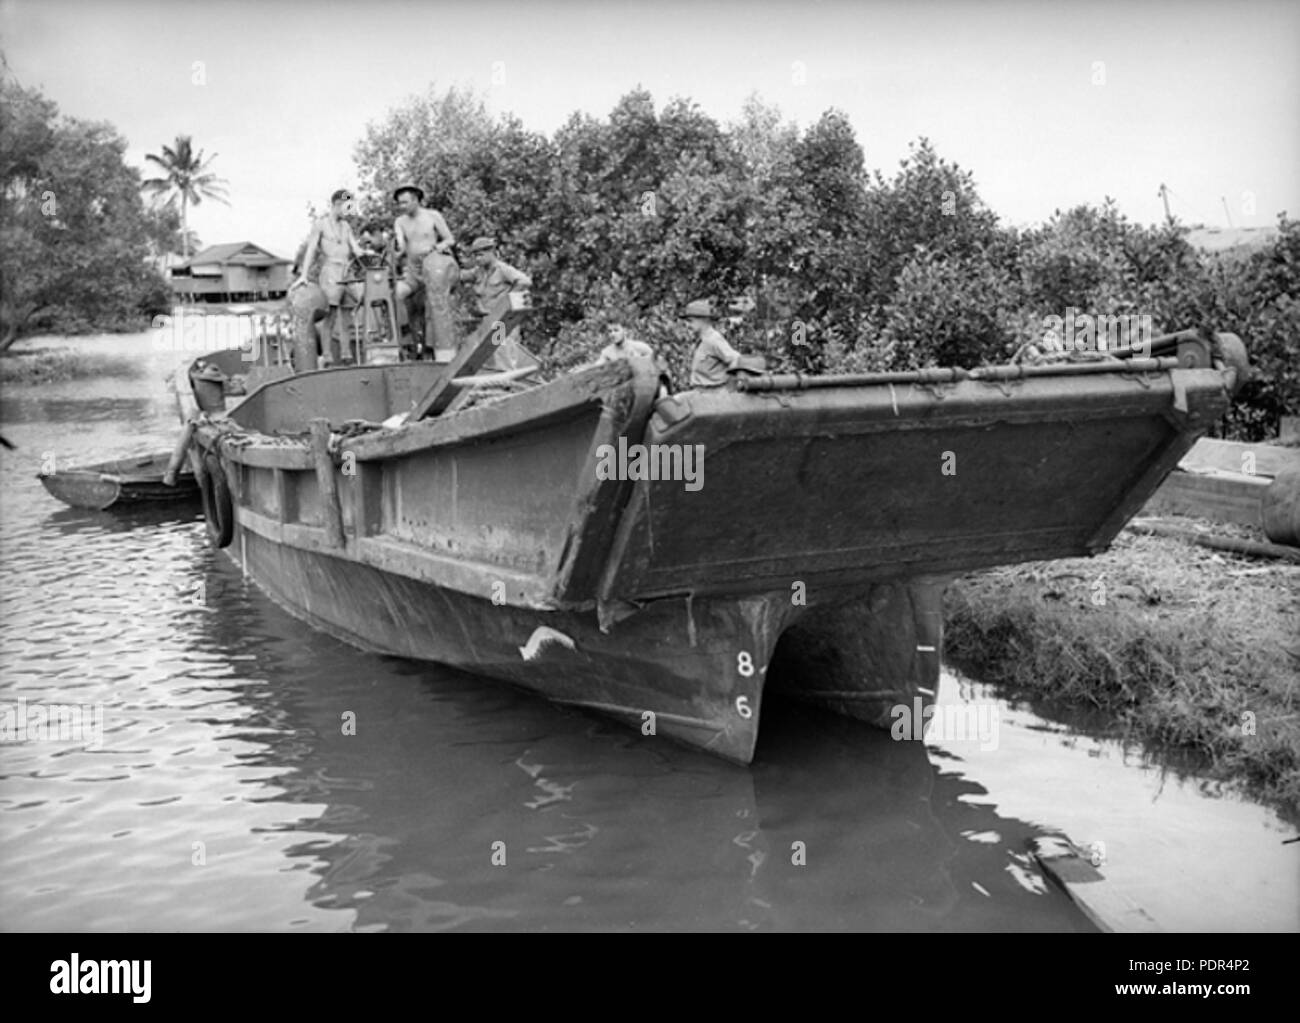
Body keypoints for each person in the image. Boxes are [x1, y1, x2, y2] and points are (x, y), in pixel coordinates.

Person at [295, 189, 365, 365]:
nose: (349, 210)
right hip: (331, 270)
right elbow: (311, 249)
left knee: (350, 310)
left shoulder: (346, 226)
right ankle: (327, 354)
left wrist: (370, 257)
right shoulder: (321, 224)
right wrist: (304, 275)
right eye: (347, 206)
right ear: (337, 204)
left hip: (347, 269)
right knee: (331, 314)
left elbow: (356, 249)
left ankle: (346, 352)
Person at [392, 185, 457, 356]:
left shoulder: (433, 216)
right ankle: (405, 338)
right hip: (413, 271)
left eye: (405, 202)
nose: (402, 207)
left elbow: (450, 239)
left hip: (432, 268)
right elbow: (401, 246)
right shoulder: (400, 221)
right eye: (399, 204)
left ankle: (431, 347)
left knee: (432, 305)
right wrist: (397, 249)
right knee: (396, 294)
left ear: (415, 200)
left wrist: (439, 246)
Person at [463, 237, 532, 315]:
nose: (477, 259)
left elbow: (525, 281)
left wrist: (508, 299)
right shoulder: (478, 271)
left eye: (480, 255)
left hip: (503, 317)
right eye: (475, 256)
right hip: (487, 316)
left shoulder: (502, 269)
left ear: (491, 252)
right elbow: (460, 275)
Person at [684, 298, 742, 387]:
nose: (687, 325)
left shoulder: (713, 339)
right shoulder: (701, 341)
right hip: (699, 392)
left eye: (690, 321)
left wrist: (730, 386)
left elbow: (736, 359)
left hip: (712, 393)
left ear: (703, 320)